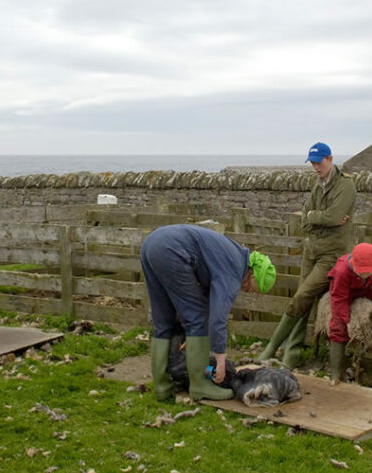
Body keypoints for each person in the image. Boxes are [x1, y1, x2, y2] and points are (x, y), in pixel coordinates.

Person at [141, 224, 276, 401]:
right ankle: (199, 385)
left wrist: (191, 338)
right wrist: (220, 361)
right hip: (172, 250)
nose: (250, 292)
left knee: (163, 321)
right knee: (197, 319)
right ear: (252, 275)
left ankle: (162, 387)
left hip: (151, 243)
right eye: (254, 289)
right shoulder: (234, 271)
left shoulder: (233, 254)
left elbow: (203, 296)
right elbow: (217, 319)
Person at [259, 142, 356, 367]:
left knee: (302, 296)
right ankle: (291, 353)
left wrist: (317, 217)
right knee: (302, 300)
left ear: (330, 159)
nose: (315, 167)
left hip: (331, 254)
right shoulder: (318, 184)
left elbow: (334, 216)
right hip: (311, 250)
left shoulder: (345, 186)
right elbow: (306, 220)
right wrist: (317, 217)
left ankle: (272, 347)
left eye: (319, 162)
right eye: (312, 163)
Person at [326, 242, 372, 379]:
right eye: (361, 271)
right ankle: (335, 372)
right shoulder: (342, 271)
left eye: (368, 271)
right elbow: (339, 298)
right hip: (345, 295)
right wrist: (347, 321)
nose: (364, 274)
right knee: (338, 327)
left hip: (366, 293)